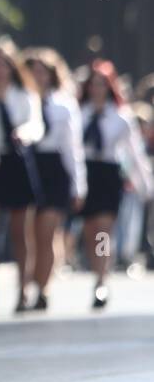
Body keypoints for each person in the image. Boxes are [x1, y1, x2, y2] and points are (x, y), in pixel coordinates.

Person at [77, 60, 154, 308]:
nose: (97, 89)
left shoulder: (121, 117)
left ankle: (101, 280)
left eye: (101, 84)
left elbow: (134, 153)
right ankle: (95, 270)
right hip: (85, 172)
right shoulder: (79, 113)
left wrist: (146, 186)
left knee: (103, 229)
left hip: (108, 174)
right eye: (93, 84)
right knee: (90, 231)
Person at [0, 46, 44, 314]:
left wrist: (23, 133)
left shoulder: (24, 95)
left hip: (17, 162)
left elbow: (36, 125)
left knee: (20, 231)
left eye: (4, 65)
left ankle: (23, 288)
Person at [22, 49, 87, 310]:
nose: (38, 76)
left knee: (46, 231)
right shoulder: (22, 101)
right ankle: (24, 285)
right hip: (27, 166)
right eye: (33, 71)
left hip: (54, 167)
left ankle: (43, 287)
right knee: (27, 233)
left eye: (43, 72)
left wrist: (78, 185)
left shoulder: (64, 105)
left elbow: (73, 148)